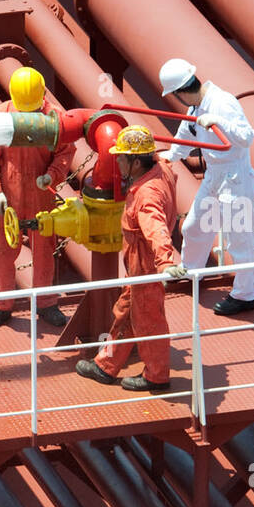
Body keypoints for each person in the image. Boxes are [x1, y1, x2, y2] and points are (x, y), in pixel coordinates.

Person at [76, 125, 187, 393]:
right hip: (139, 268)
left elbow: (156, 229)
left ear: (136, 162)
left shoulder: (146, 195)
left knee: (149, 321)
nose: (117, 161)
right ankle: (106, 366)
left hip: (146, 266)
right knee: (126, 313)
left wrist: (165, 263)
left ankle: (157, 377)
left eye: (121, 157)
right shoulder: (160, 168)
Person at [158, 57, 254, 316]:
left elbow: (245, 137)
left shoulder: (222, 103)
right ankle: (192, 272)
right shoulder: (195, 109)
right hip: (215, 176)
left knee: (240, 239)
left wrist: (219, 121)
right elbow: (186, 134)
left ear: (182, 92)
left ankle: (245, 296)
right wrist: (170, 156)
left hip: (235, 179)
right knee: (194, 226)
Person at [0, 66, 76, 331]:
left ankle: (46, 303)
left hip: (41, 197)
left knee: (45, 252)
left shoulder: (55, 117)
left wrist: (52, 176)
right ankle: (1, 306)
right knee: (2, 252)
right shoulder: (1, 117)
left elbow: (65, 152)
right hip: (6, 199)